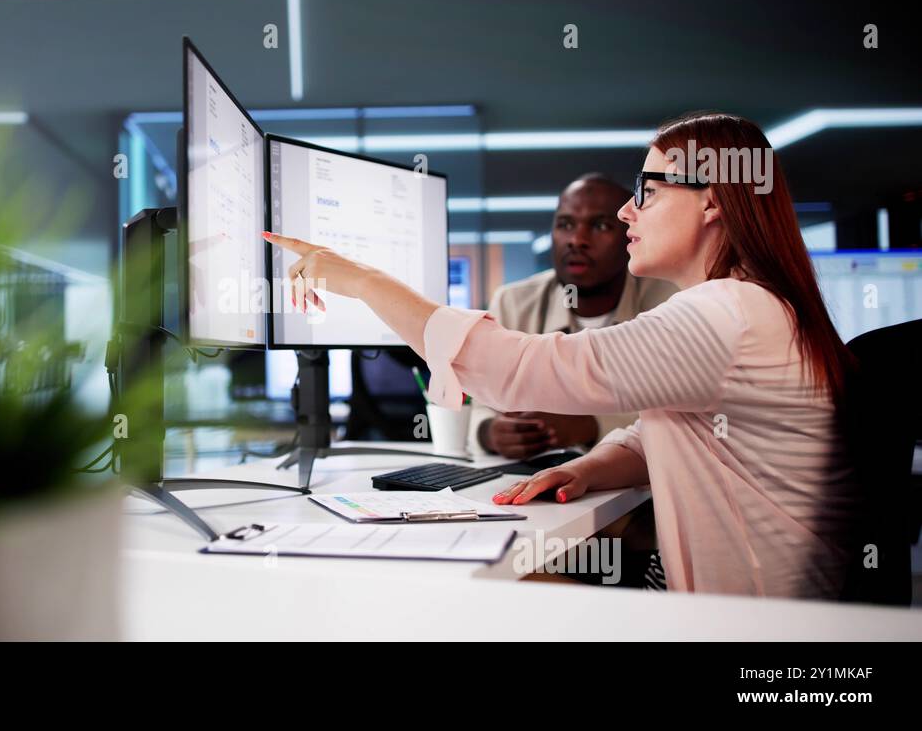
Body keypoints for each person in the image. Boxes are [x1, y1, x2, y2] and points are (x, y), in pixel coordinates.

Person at [264, 112, 858, 598]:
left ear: (711, 202)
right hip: (738, 603)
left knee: (464, 599)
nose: (629, 210)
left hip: (749, 634)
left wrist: (366, 281)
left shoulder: (725, 314)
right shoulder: (753, 307)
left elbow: (518, 371)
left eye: (648, 192)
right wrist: (586, 468)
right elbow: (664, 433)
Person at [469, 173, 677, 459]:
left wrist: (593, 426)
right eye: (565, 225)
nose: (577, 240)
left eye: (600, 225)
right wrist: (490, 432)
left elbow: (681, 418)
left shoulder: (669, 302)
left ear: (630, 236)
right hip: (526, 480)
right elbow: (479, 403)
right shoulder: (514, 302)